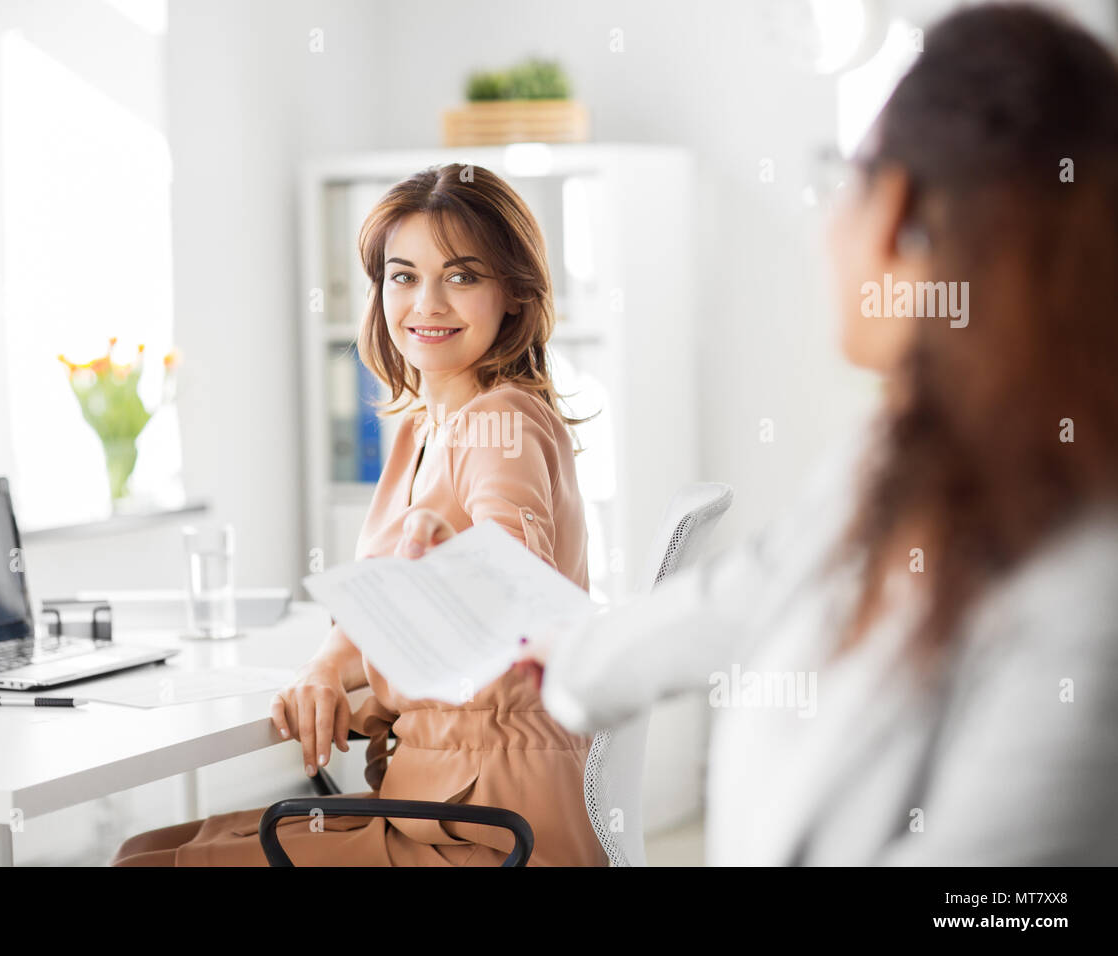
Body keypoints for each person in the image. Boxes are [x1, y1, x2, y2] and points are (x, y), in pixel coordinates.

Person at [421, 4, 1118, 865]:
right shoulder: (902, 459)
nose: (827, 229)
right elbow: (757, 586)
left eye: (838, 182)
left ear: (896, 208)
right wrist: (576, 655)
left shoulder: (1087, 588)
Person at [111, 164, 606, 866]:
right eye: (403, 276)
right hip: (427, 790)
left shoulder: (501, 422)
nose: (426, 303)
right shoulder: (417, 428)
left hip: (485, 819)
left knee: (148, 866)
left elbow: (520, 589)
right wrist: (321, 669)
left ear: (515, 297)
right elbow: (367, 618)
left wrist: (444, 571)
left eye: (462, 276)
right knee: (151, 848)